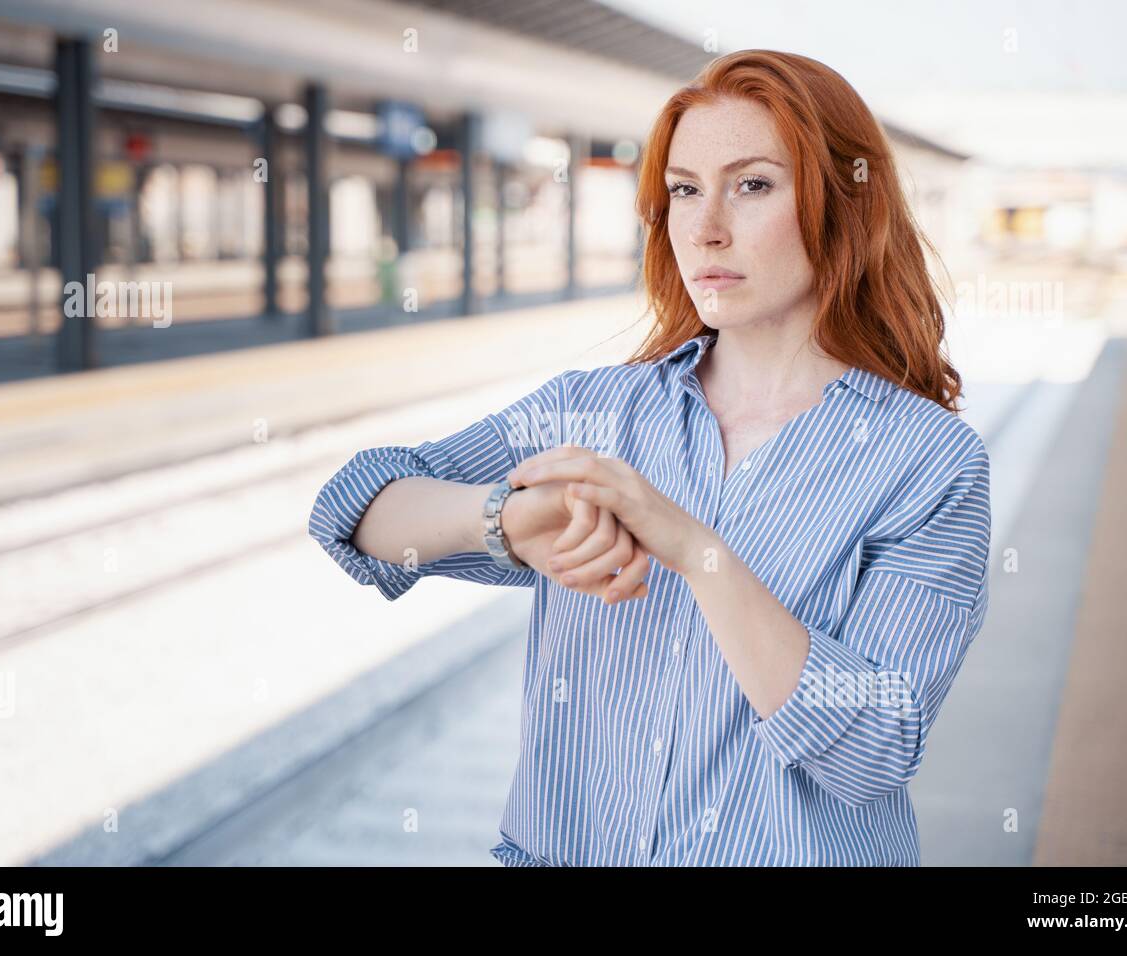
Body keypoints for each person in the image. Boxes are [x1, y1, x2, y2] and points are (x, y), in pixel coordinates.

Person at [308, 49, 991, 866]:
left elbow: (873, 748)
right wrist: (506, 522)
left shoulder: (930, 462)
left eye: (753, 185)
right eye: (684, 189)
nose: (705, 227)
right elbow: (355, 508)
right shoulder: (598, 411)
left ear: (844, 205)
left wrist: (698, 553)